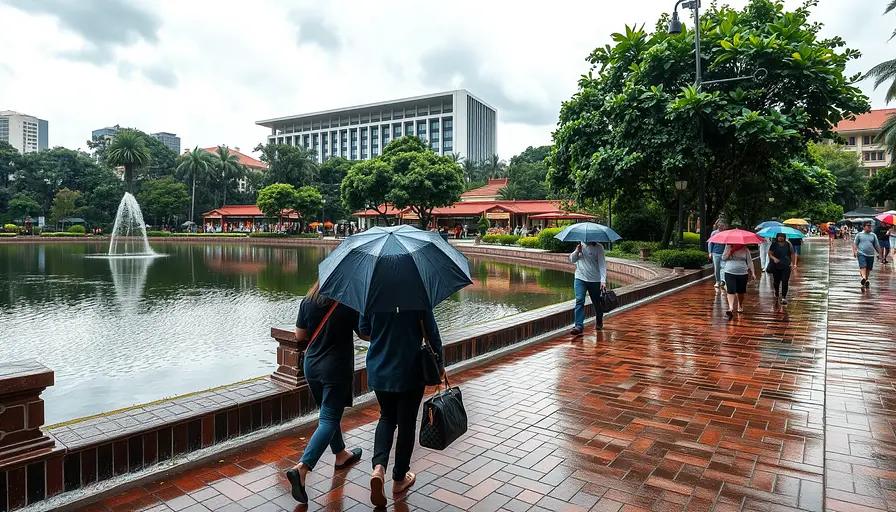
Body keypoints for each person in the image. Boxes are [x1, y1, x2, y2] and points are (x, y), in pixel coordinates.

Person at [285, 283, 364, 504]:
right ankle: (302, 467)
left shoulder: (308, 300)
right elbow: (365, 334)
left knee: (327, 413)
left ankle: (341, 455)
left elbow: (300, 334)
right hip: (335, 369)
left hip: (312, 367)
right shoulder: (348, 303)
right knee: (329, 418)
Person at [358, 309, 444, 507]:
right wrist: (440, 364)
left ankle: (378, 469)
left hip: (379, 368)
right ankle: (399, 479)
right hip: (410, 369)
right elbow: (432, 333)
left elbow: (363, 329)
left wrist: (384, 332)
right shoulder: (418, 293)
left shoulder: (371, 293)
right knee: (406, 424)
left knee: (386, 417)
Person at [569, 241, 607, 336]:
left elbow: (602, 264)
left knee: (597, 303)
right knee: (579, 300)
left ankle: (599, 321)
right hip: (580, 278)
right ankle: (579, 326)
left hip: (594, 280)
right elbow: (572, 260)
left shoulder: (599, 247)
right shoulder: (580, 246)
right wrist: (577, 251)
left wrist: (603, 280)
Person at [721, 243, 755, 318]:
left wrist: (753, 272)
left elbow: (749, 261)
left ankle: (740, 305)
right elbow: (723, 258)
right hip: (729, 271)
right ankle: (730, 308)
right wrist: (730, 252)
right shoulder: (728, 247)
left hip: (742, 273)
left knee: (740, 291)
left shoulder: (745, 249)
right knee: (730, 290)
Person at [768, 233, 794, 304]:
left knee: (785, 281)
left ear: (784, 237)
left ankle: (783, 297)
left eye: (782, 236)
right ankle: (776, 290)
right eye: (779, 236)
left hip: (786, 266)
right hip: (776, 266)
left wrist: (792, 263)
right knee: (776, 281)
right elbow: (769, 253)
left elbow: (792, 254)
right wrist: (774, 258)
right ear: (777, 237)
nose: (780, 238)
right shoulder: (774, 244)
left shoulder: (788, 245)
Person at [854, 222, 881, 288]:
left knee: (868, 268)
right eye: (868, 226)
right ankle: (863, 278)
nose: (869, 227)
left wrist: (879, 253)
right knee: (863, 266)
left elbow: (876, 245)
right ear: (864, 227)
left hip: (871, 254)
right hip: (861, 253)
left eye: (870, 226)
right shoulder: (859, 235)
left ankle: (866, 279)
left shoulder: (873, 235)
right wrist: (855, 251)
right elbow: (855, 243)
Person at [708, 221, 728, 289]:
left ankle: (723, 281)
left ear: (724, 226)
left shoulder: (726, 233)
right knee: (717, 268)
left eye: (722, 225)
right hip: (715, 253)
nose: (720, 226)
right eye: (719, 225)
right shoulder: (714, 233)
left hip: (724, 253)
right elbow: (710, 243)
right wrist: (710, 252)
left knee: (723, 267)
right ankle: (717, 281)